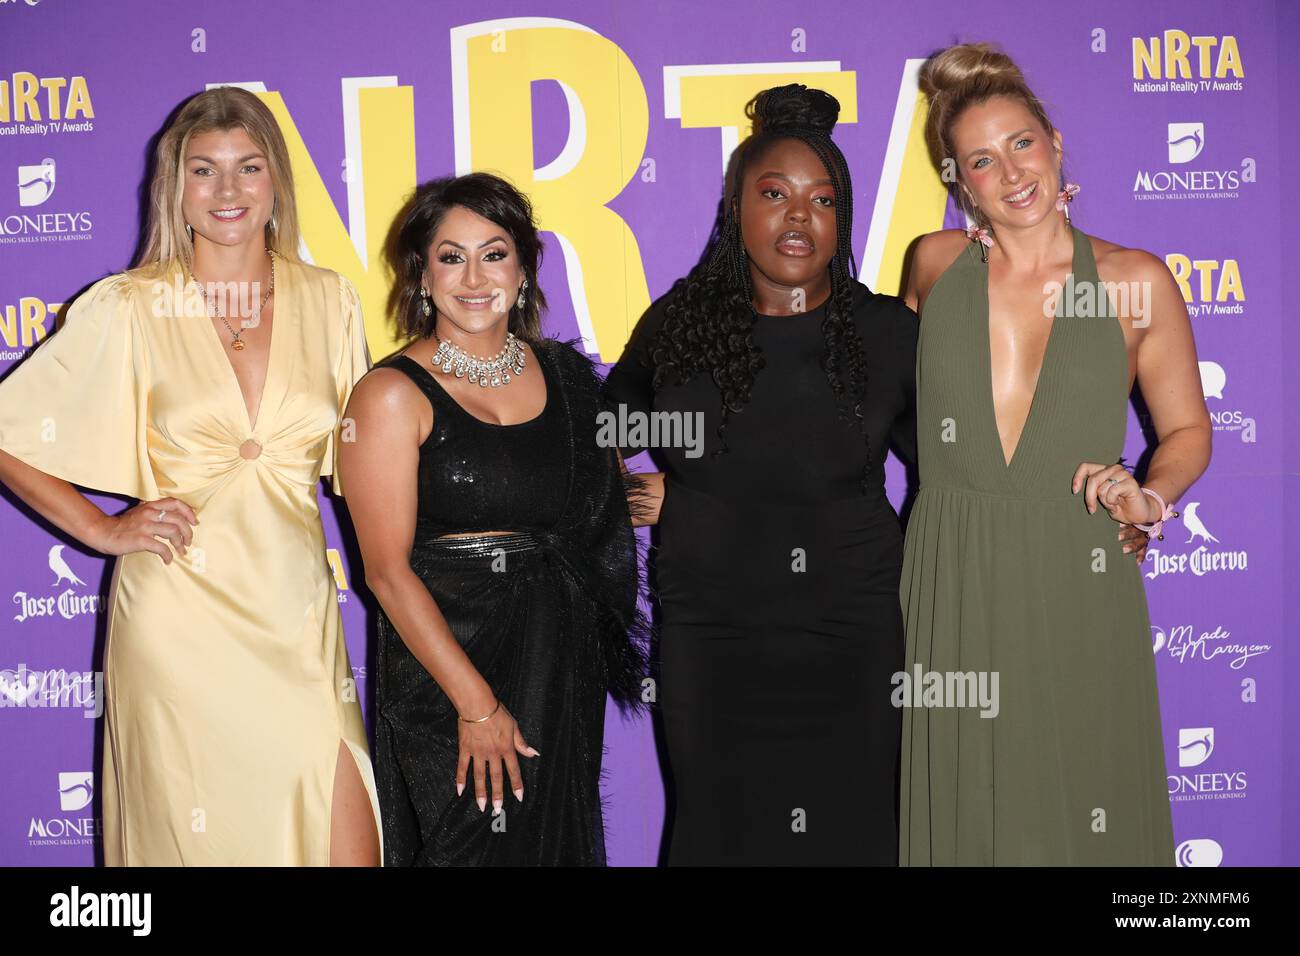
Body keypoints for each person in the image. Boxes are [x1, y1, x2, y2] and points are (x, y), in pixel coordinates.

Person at [0, 87, 379, 866]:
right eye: (204, 170)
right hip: (176, 623)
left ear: (277, 183)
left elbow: (375, 465)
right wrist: (102, 528)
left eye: (249, 167)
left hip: (297, 623)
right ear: (175, 186)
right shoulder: (130, 306)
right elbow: (10, 433)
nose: (228, 189)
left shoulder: (330, 301)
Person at [899, 42, 1211, 865]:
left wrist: (1150, 496)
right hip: (951, 573)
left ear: (1055, 142)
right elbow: (878, 409)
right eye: (981, 160)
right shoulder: (932, 267)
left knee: (1081, 805)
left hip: (1077, 569)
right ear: (959, 181)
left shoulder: (1135, 280)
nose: (1010, 172)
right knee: (963, 811)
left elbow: (1187, 431)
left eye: (1022, 143)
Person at [604, 85, 917, 865]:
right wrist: (650, 495)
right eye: (774, 194)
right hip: (713, 638)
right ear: (736, 209)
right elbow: (601, 433)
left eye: (823, 199)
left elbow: (953, 471)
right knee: (720, 831)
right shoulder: (681, 323)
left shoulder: (886, 333)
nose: (799, 217)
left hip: (852, 635)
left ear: (843, 217)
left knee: (854, 832)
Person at [340, 173, 647, 866]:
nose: (475, 278)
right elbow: (386, 573)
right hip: (448, 673)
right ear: (422, 275)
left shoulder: (566, 375)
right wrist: (476, 705)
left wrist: (707, 495)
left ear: (524, 268)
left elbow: (599, 499)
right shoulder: (388, 395)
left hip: (556, 662)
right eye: (451, 257)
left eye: (495, 254)